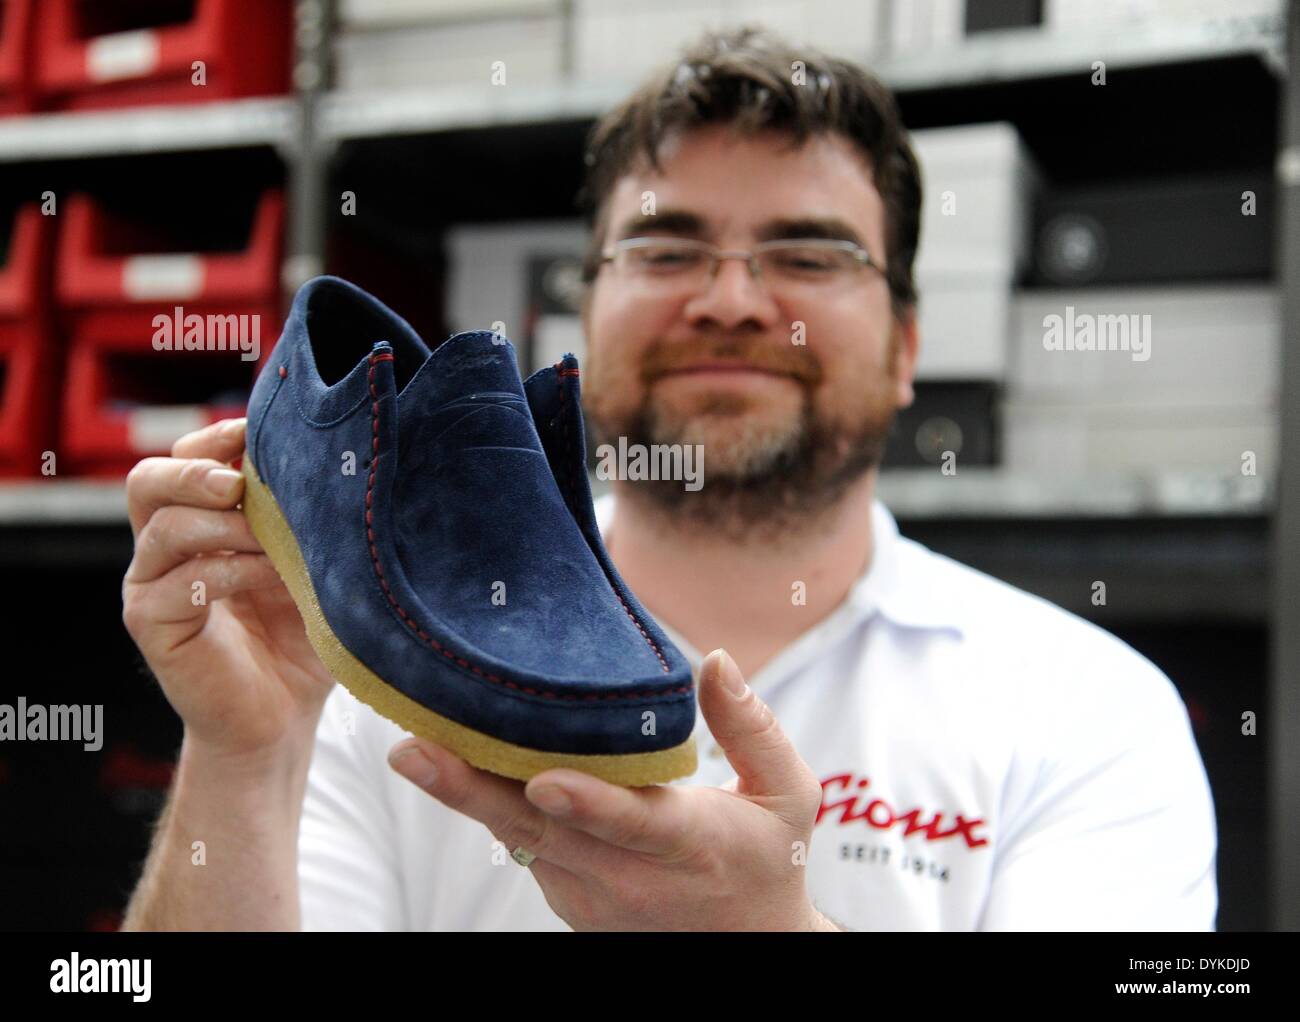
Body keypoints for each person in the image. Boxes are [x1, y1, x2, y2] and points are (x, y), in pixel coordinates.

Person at [119, 27, 1217, 931]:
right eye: (666, 248)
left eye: (807, 254)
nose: (731, 300)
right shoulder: (381, 656)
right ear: (582, 311)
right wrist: (246, 753)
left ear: (905, 345)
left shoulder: (1089, 709)